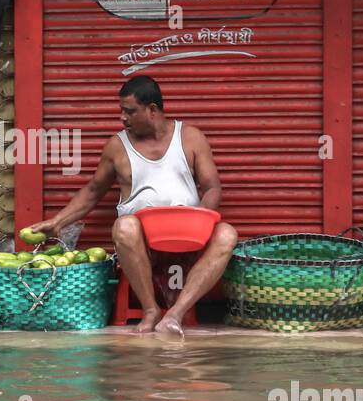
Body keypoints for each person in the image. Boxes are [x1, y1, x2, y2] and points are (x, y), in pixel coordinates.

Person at [28, 75, 238, 336]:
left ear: (152, 110)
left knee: (227, 234)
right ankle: (151, 310)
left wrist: (202, 217)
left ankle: (175, 314)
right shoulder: (117, 147)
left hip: (189, 234)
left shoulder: (191, 137)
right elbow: (93, 191)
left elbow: (212, 187)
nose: (123, 118)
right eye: (121, 112)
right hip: (140, 240)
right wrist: (58, 222)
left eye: (129, 111)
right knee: (125, 226)